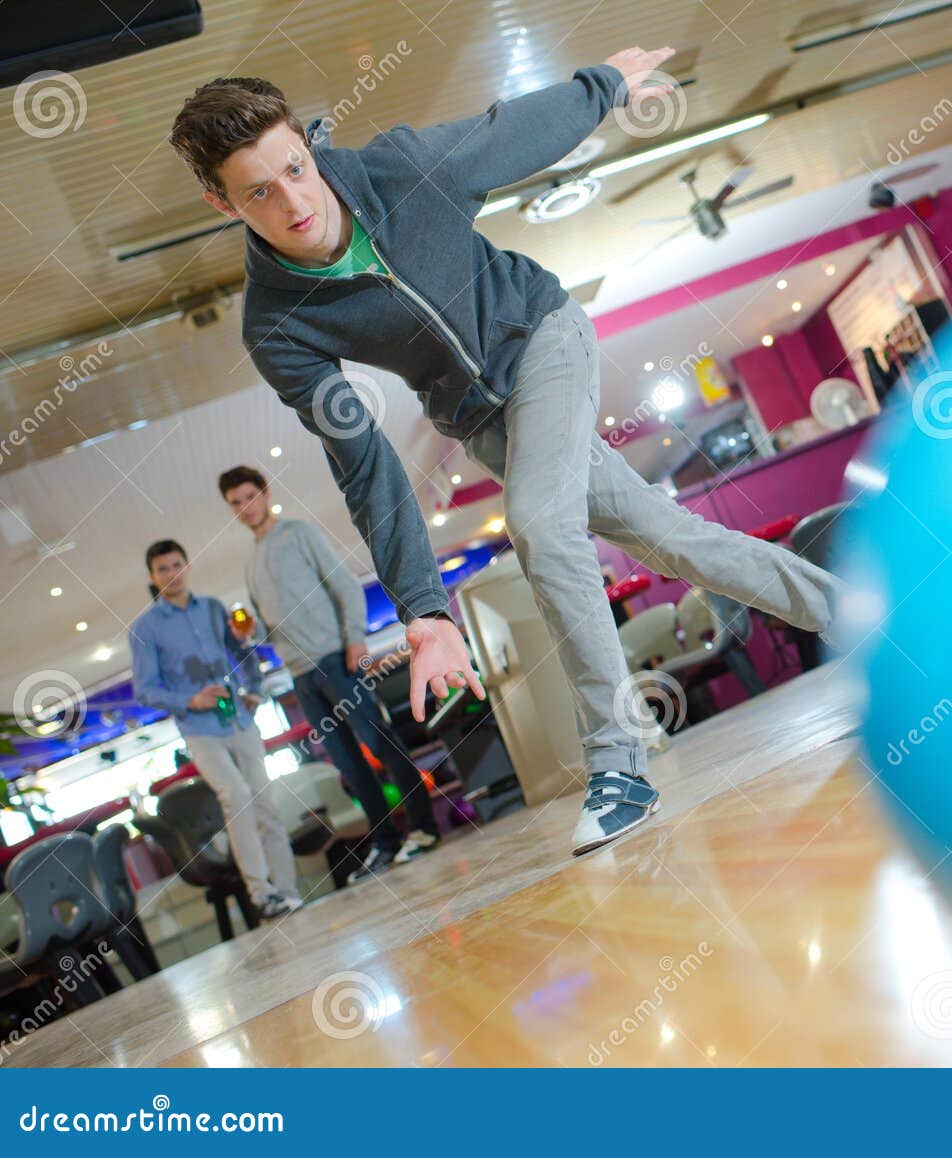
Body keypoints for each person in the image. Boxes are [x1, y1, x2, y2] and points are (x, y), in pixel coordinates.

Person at [168, 48, 844, 855]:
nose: (294, 201)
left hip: (542, 339)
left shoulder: (399, 171)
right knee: (671, 539)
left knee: (540, 524)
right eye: (259, 192)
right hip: (480, 419)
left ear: (307, 145)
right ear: (220, 202)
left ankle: (620, 764)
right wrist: (424, 613)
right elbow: (365, 463)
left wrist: (604, 86)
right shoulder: (277, 325)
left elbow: (507, 136)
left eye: (295, 169)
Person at [219, 465, 441, 879]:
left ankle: (424, 829)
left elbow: (344, 586)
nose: (245, 507)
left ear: (266, 493)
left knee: (380, 743)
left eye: (249, 496)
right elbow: (269, 629)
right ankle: (385, 843)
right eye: (235, 503)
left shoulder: (299, 533)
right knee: (348, 764)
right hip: (300, 675)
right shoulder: (250, 563)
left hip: (337, 659)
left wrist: (355, 639)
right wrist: (249, 633)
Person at [129, 540, 303, 918]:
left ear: (187, 565)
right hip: (199, 729)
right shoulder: (145, 628)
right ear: (152, 577)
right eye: (162, 569)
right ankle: (262, 895)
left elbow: (242, 651)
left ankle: (288, 890)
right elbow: (145, 690)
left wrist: (254, 689)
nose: (172, 574)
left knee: (264, 800)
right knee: (236, 796)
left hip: (239, 718)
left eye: (177, 565)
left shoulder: (212, 608)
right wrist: (190, 700)